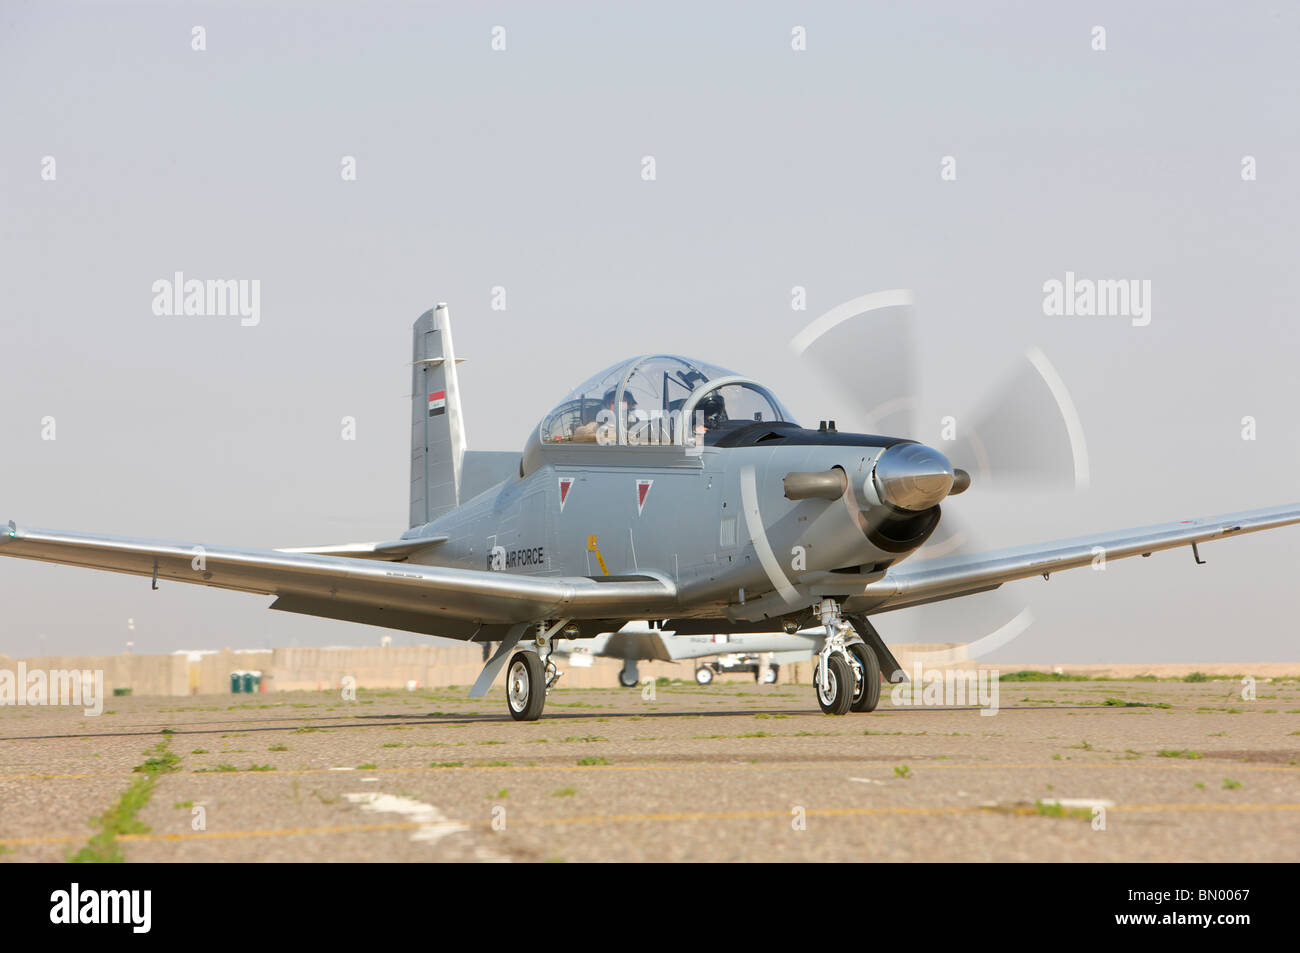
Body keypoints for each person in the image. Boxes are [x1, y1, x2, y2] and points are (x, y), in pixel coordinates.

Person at [571, 387, 635, 443]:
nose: (618, 405)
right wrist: (605, 436)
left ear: (629, 405)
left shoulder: (635, 425)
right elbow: (579, 432)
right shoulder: (597, 426)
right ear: (607, 405)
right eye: (614, 402)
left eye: (623, 402)